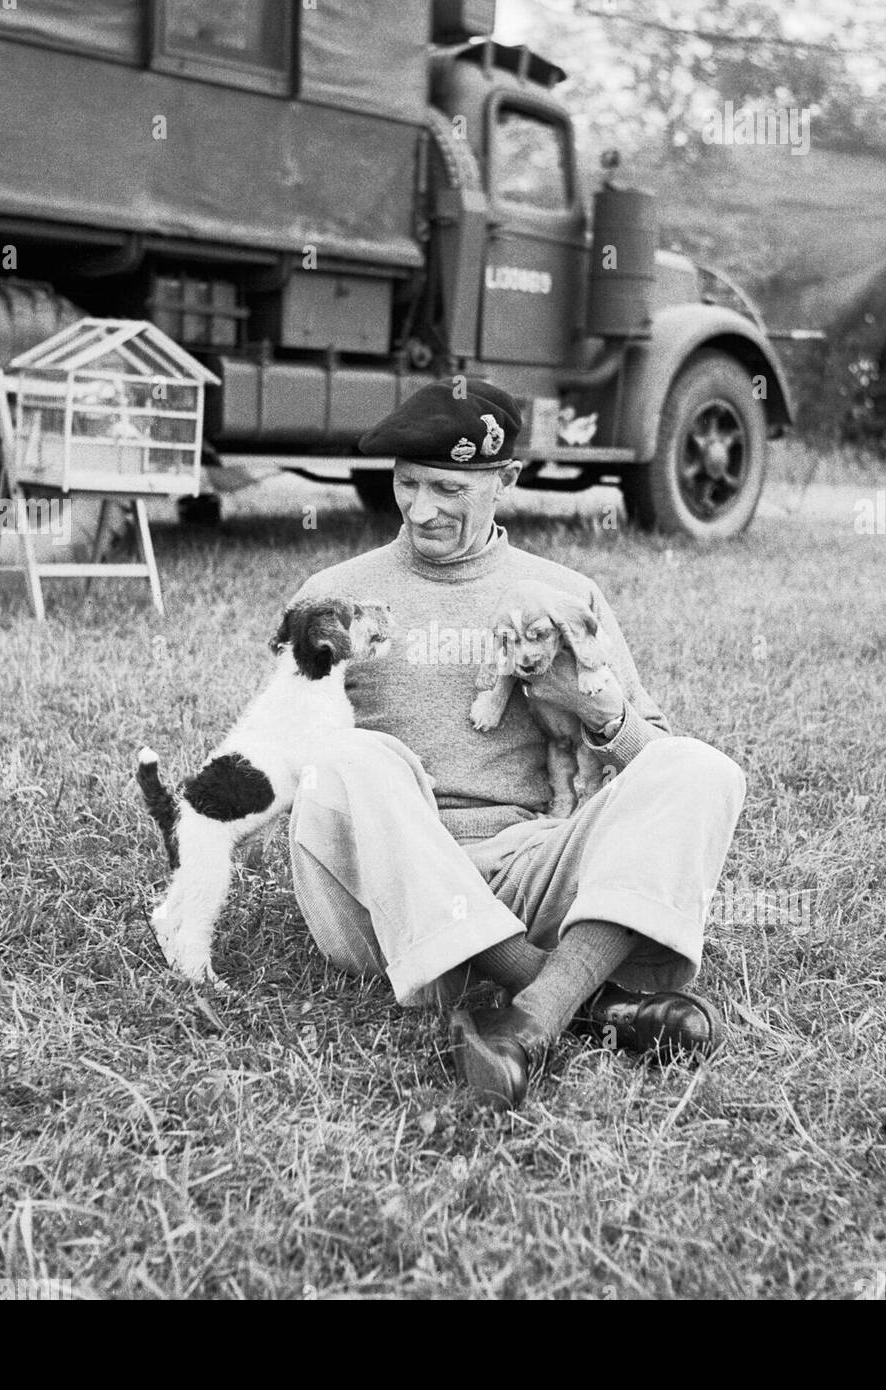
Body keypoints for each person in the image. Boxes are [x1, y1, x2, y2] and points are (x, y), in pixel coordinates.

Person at [285, 378, 747, 1109]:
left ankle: (525, 1020)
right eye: (406, 484)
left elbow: (653, 762)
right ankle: (570, 994)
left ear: (504, 480)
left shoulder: (564, 595)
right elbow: (283, 759)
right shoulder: (332, 594)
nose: (420, 508)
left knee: (702, 770)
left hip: (531, 868)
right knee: (347, 762)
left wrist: (595, 711)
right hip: (386, 886)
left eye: (446, 488)